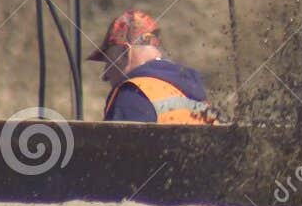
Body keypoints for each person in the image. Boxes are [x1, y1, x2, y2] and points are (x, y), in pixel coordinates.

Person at [87, 9, 217, 125]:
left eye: (109, 61)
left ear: (126, 54)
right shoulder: (199, 99)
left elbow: (116, 151)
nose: (105, 74)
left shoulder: (133, 94)